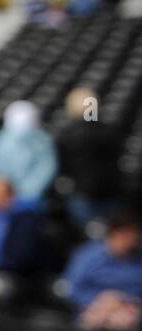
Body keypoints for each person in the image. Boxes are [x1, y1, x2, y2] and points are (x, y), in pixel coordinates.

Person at [63, 207, 142, 331]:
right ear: (115, 233)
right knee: (96, 318)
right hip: (94, 311)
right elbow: (72, 289)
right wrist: (101, 302)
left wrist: (124, 302)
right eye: (127, 235)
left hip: (132, 313)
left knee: (125, 319)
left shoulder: (139, 260)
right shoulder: (88, 256)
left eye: (135, 236)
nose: (132, 241)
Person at [56, 87, 122, 228]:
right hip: (109, 192)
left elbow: (63, 165)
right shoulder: (109, 131)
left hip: (83, 195)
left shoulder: (68, 134)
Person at [0, 100, 57, 201]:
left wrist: (27, 194)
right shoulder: (0, 141)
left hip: (34, 199)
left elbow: (46, 169)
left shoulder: (41, 141)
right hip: (6, 200)